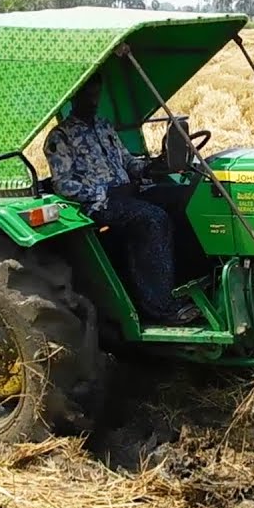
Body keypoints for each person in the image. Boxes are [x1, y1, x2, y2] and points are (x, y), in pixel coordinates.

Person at [43, 71, 200, 326]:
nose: (93, 101)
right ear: (74, 97)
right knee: (152, 219)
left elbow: (126, 162)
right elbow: (64, 185)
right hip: (98, 205)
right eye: (88, 96)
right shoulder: (61, 137)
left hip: (128, 192)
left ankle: (191, 282)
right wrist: (103, 193)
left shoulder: (105, 126)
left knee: (185, 199)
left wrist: (150, 169)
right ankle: (159, 307)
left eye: (96, 95)